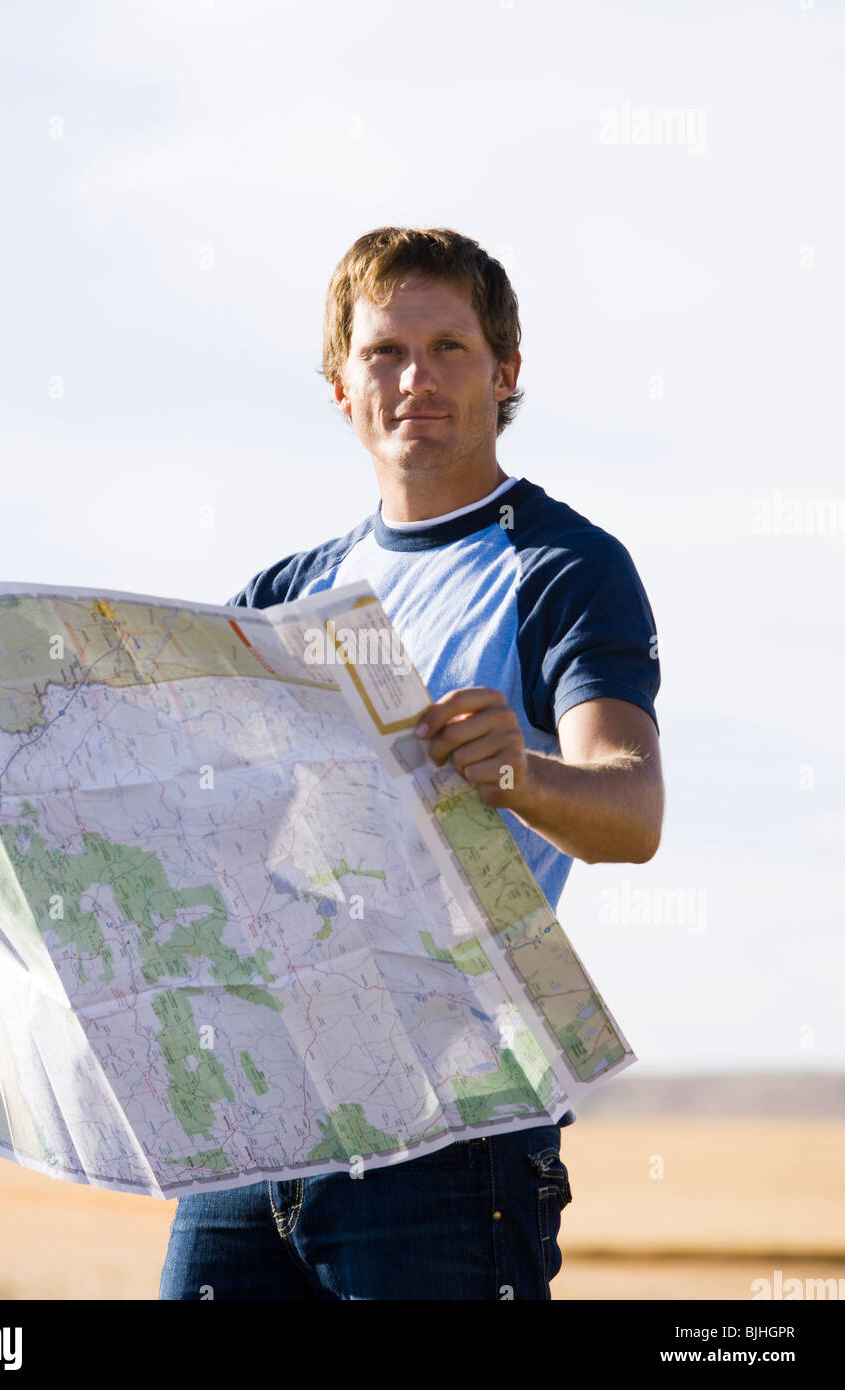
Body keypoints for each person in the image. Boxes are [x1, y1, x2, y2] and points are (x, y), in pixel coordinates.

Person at [159, 225, 663, 1301]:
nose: (415, 379)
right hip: (255, 1129)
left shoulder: (564, 567)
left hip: (451, 1140)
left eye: (448, 348)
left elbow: (632, 810)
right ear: (340, 385)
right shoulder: (280, 591)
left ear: (505, 371)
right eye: (384, 351)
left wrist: (518, 773)